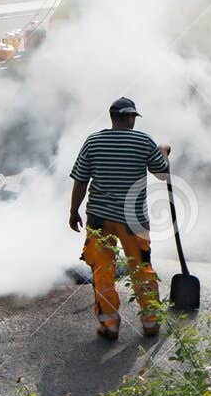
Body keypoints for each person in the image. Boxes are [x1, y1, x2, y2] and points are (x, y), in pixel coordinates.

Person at [68, 97, 172, 340]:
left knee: (102, 271)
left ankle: (109, 325)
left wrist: (73, 211)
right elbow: (162, 174)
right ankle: (151, 323)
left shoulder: (93, 141)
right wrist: (163, 153)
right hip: (133, 220)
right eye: (133, 117)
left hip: (98, 218)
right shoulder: (144, 141)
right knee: (142, 269)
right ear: (128, 117)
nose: (134, 121)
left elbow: (81, 180)